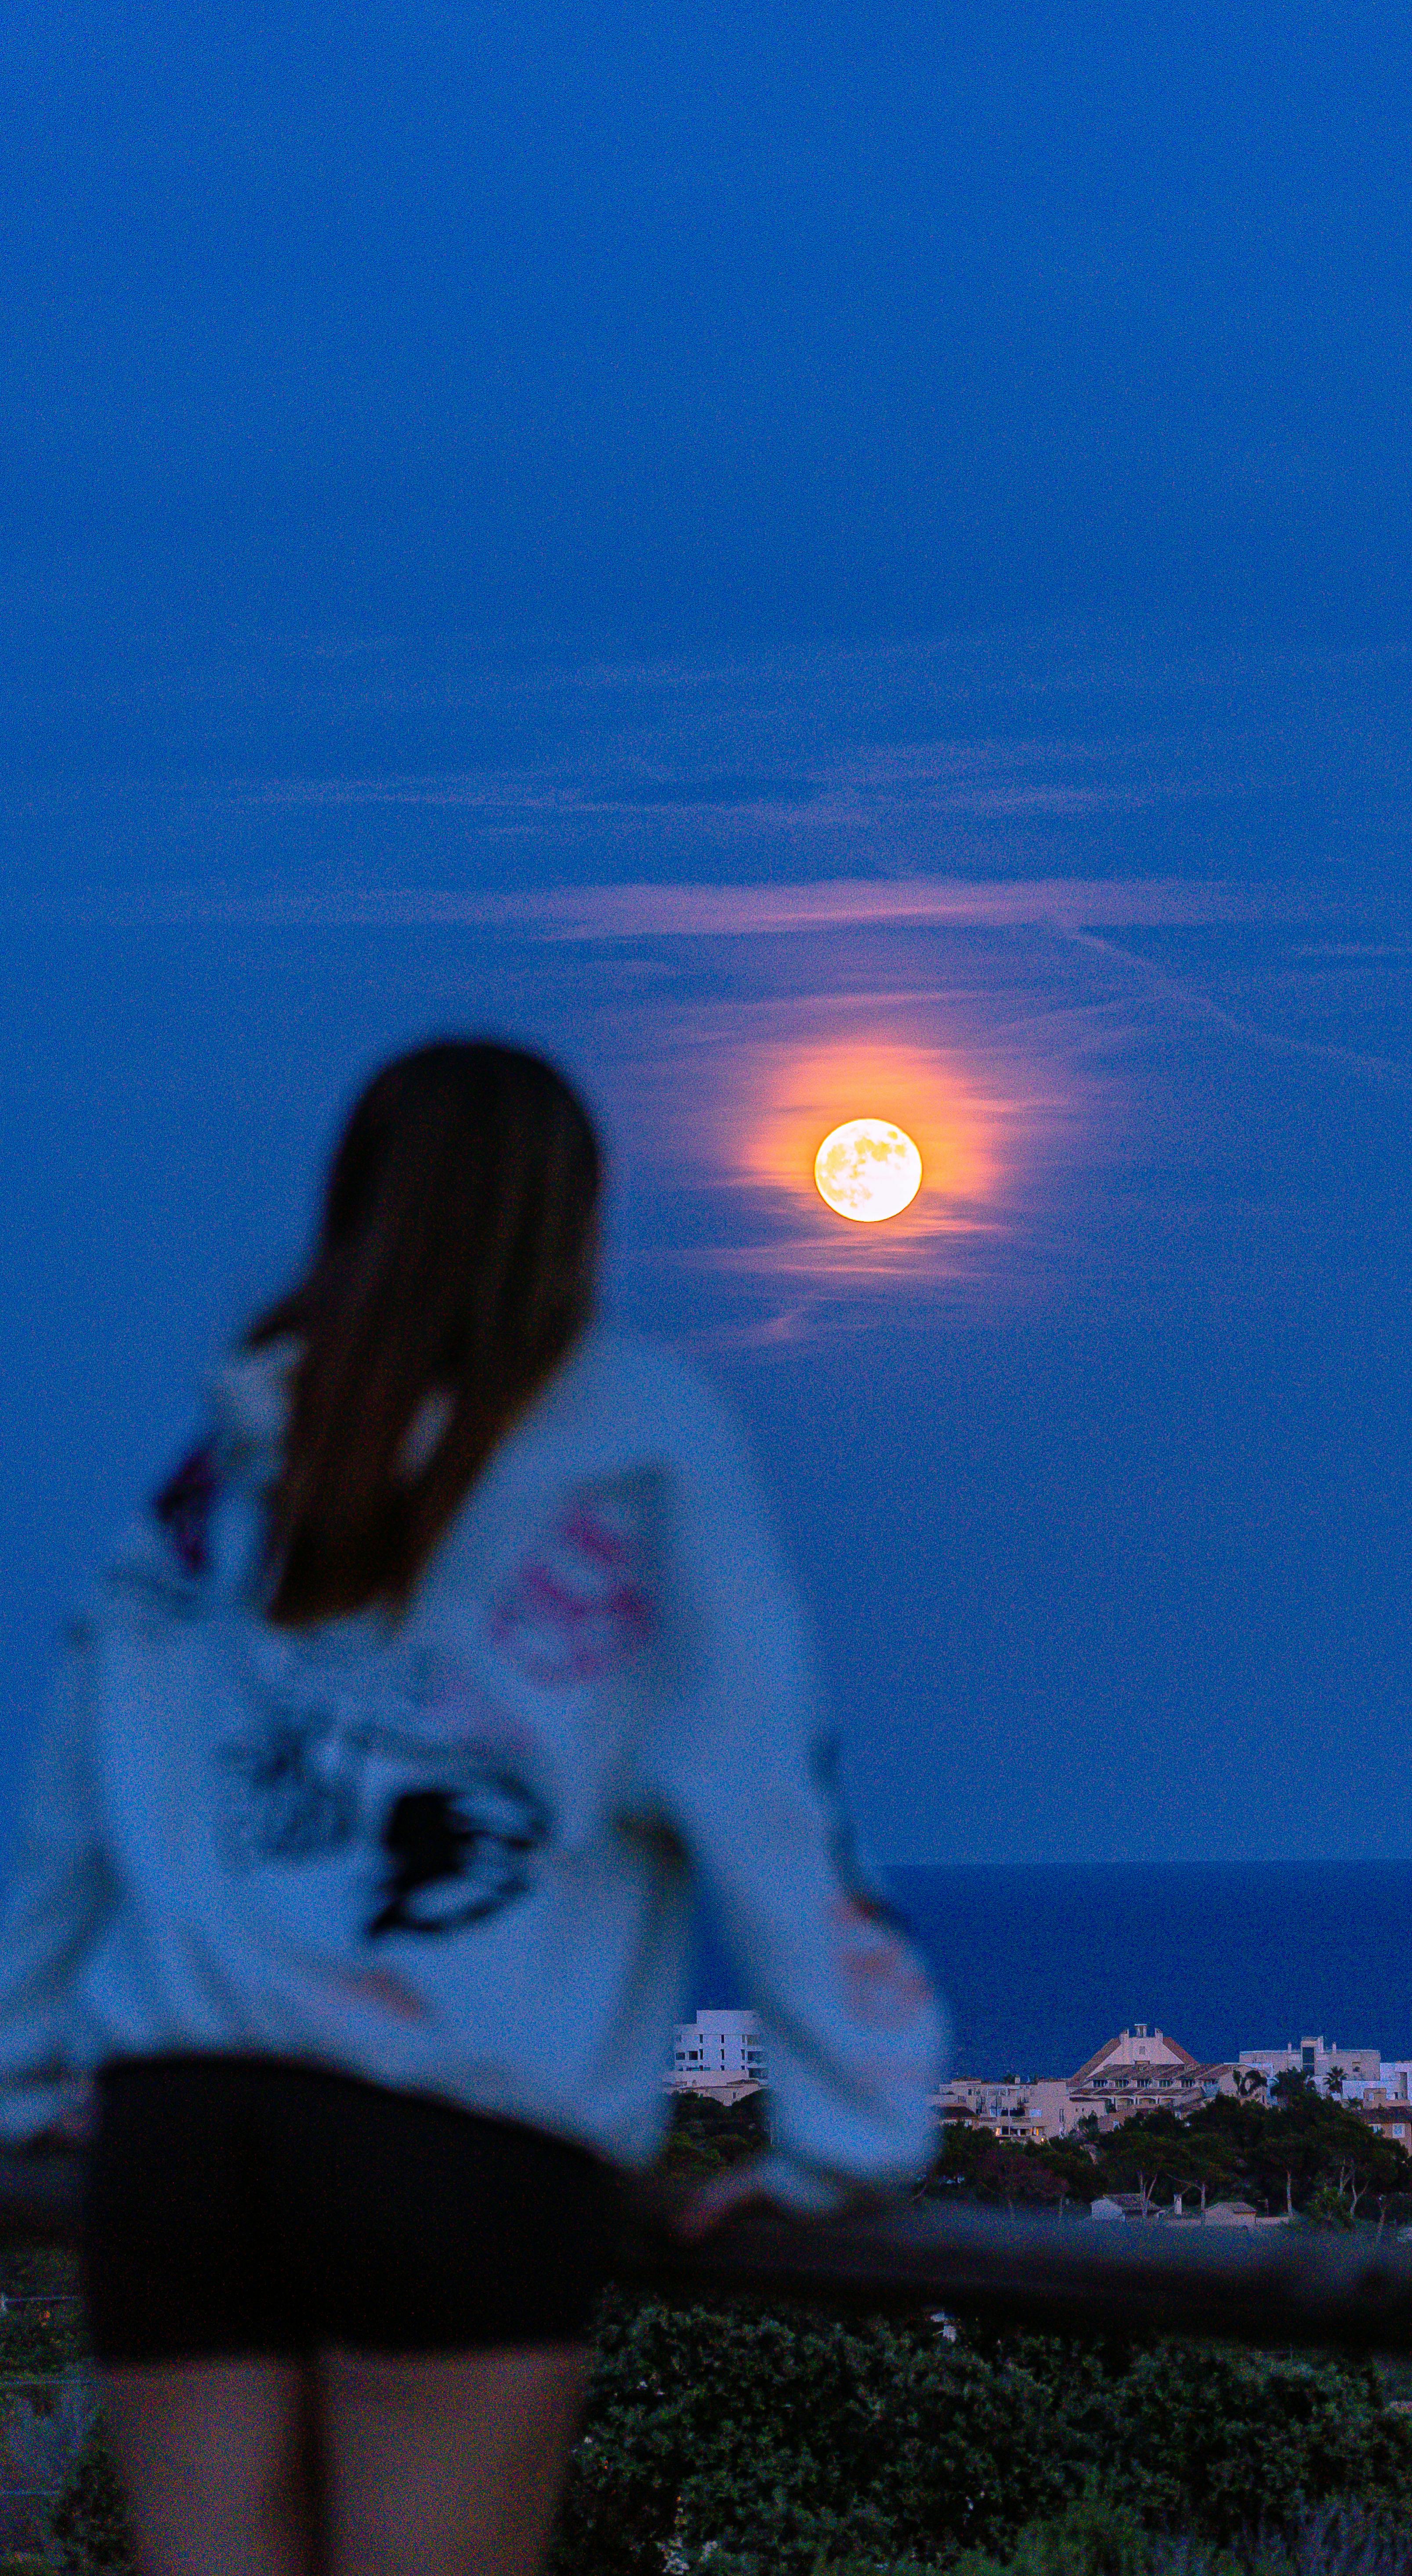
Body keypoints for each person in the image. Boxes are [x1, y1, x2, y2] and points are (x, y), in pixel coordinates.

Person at [0, 1040, 945, 2576]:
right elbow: (768, 1798)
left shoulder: (227, 1460)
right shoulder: (642, 1441)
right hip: (453, 2134)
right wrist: (851, 2132)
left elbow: (72, 1806)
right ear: (576, 1222)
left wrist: (16, 2070)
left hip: (182, 2137)